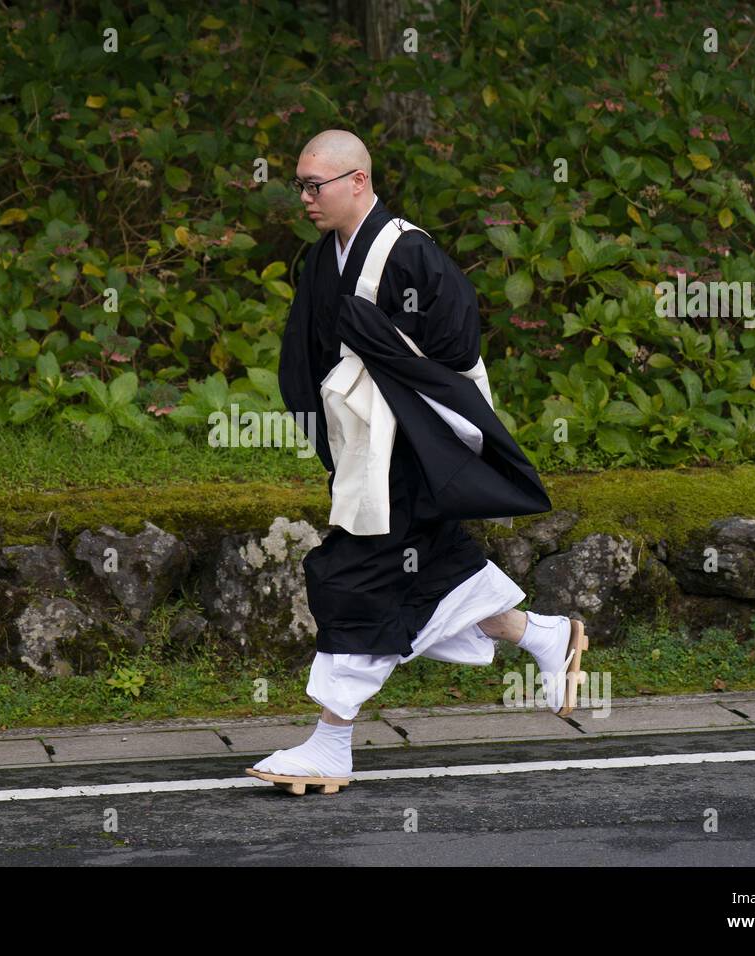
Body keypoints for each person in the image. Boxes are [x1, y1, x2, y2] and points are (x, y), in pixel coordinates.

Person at [247, 130, 587, 791]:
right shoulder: (323, 261)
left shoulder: (409, 251)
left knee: (349, 575)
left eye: (316, 185)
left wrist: (388, 354)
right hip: (364, 443)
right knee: (428, 572)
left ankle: (330, 741)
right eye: (300, 185)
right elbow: (308, 355)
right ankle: (544, 635)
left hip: (410, 445)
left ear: (358, 182)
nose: (306, 197)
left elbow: (457, 346)